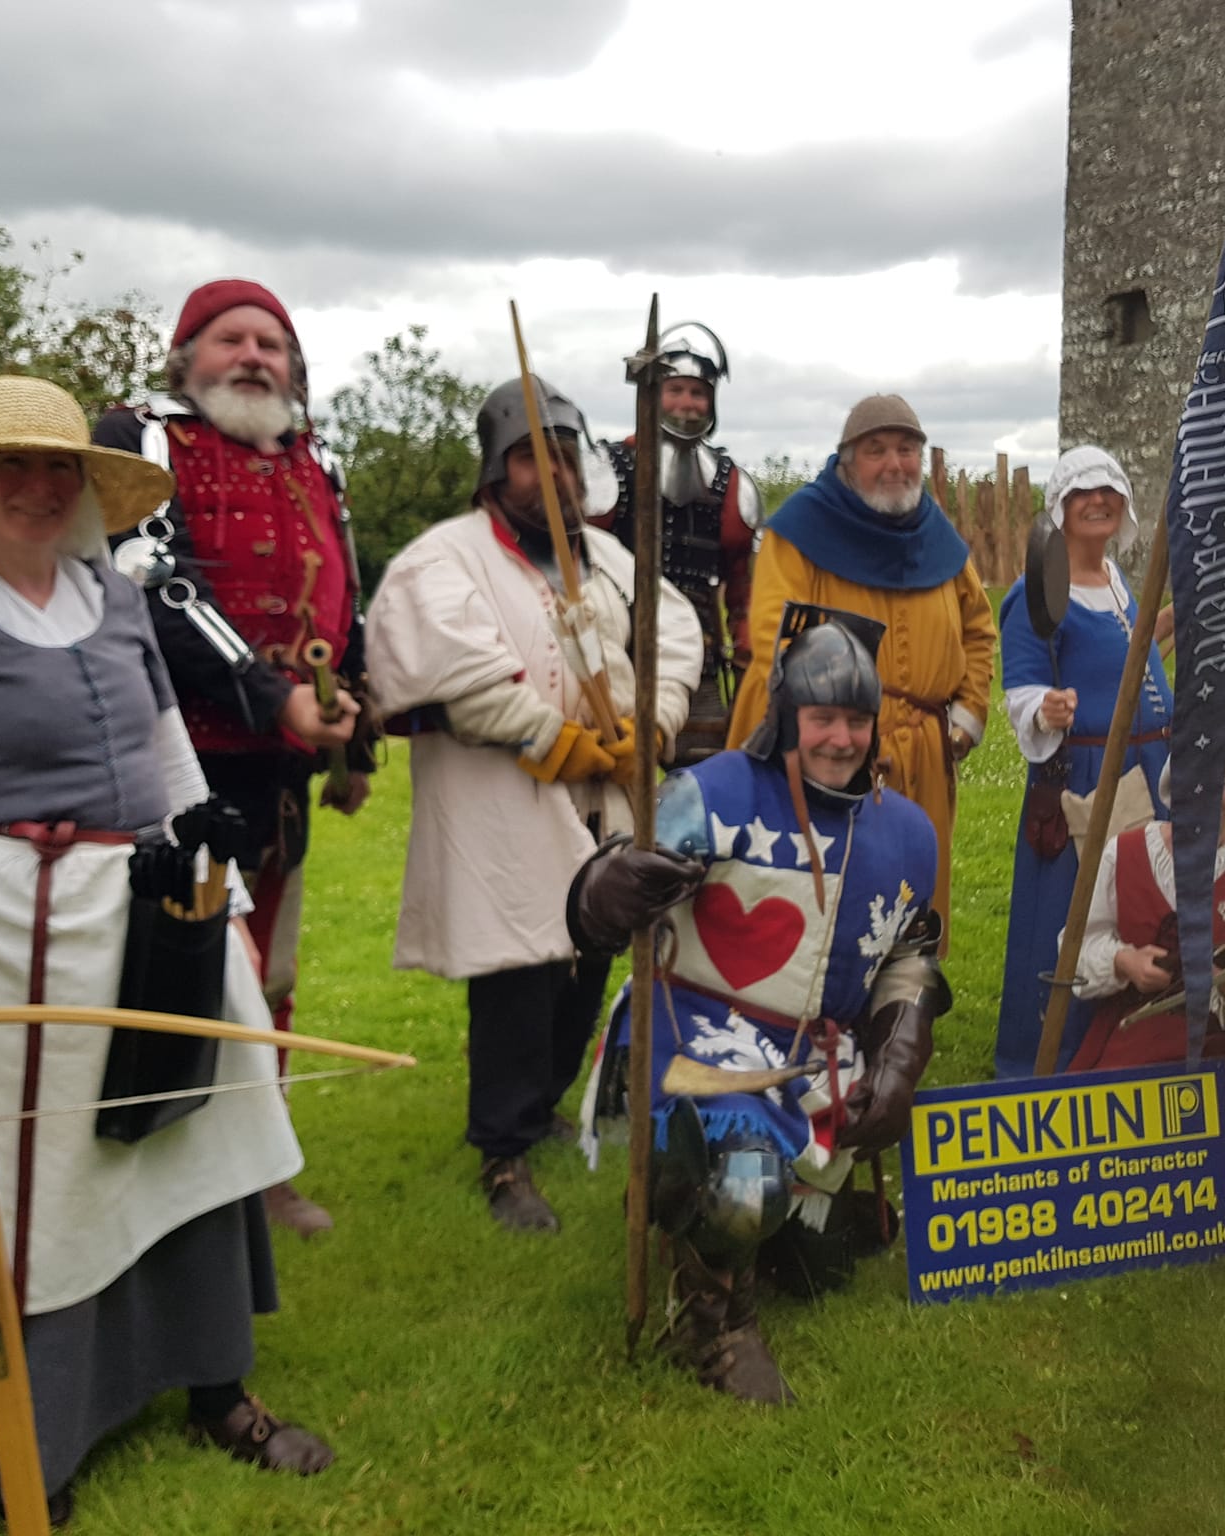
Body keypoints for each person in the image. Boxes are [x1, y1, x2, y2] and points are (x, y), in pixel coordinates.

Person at [0, 376, 332, 1524]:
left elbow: (170, 758)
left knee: (195, 1148)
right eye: (13, 470)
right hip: (17, 931)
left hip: (162, 910)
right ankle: (29, 1436)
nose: (42, 490)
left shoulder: (112, 597)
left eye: (61, 471)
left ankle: (216, 1390)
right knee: (37, 1187)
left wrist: (220, 888)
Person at [570, 606, 947, 1403]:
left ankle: (692, 1202)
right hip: (695, 1032)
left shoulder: (908, 831)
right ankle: (713, 1325)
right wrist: (608, 884)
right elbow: (606, 917)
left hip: (811, 1053)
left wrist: (899, 1060)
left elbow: (910, 957)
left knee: (820, 1271)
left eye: (855, 720)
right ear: (786, 716)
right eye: (822, 719)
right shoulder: (709, 795)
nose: (840, 739)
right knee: (747, 1187)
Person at [365, 375, 703, 1234]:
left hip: (601, 797)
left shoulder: (612, 559)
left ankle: (547, 1101)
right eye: (528, 458)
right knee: (516, 964)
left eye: (562, 455)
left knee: (590, 950)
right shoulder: (447, 558)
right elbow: (453, 665)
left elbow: (673, 635)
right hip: (501, 799)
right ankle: (503, 1153)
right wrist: (553, 739)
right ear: (494, 473)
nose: (549, 474)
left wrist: (650, 727)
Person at [96, 278, 371, 1238]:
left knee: (271, 966)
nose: (254, 356)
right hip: (164, 753)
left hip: (281, 763)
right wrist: (269, 693)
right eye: (229, 340)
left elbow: (347, 595)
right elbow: (156, 587)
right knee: (174, 961)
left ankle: (258, 1165)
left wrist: (355, 738)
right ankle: (166, 1169)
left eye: (272, 343)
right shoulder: (143, 439)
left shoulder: (315, 460)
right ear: (185, 356)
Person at [724, 394, 995, 931]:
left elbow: (979, 629)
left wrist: (965, 719)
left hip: (920, 758)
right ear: (848, 460)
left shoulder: (936, 535)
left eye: (906, 449)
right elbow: (776, 640)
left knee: (911, 907)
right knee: (822, 910)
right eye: (877, 451)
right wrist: (833, 734)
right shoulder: (801, 529)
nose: (895, 464)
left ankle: (905, 1009)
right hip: (827, 751)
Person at [1064, 733, 1225, 1235]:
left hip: (1218, 1040)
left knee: (1209, 1157)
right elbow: (1078, 944)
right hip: (1133, 1027)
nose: (1206, 790)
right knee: (1097, 1148)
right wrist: (1124, 961)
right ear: (1174, 783)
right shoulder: (1123, 851)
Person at [993, 446, 1172, 1079]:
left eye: (1110, 491)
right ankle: (1052, 1061)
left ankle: (1132, 1047)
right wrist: (1048, 709)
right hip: (1088, 782)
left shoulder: (1120, 582)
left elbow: (1129, 650)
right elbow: (1019, 689)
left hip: (1152, 773)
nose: (1099, 501)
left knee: (1143, 909)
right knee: (1074, 915)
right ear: (1062, 507)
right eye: (1083, 492)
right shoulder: (1036, 592)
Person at [590, 321, 761, 764]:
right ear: (653, 394)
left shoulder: (731, 484)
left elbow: (744, 592)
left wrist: (749, 665)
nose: (687, 404)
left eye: (697, 393)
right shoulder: (608, 470)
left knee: (701, 788)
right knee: (612, 771)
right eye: (675, 390)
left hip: (696, 663)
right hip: (615, 651)